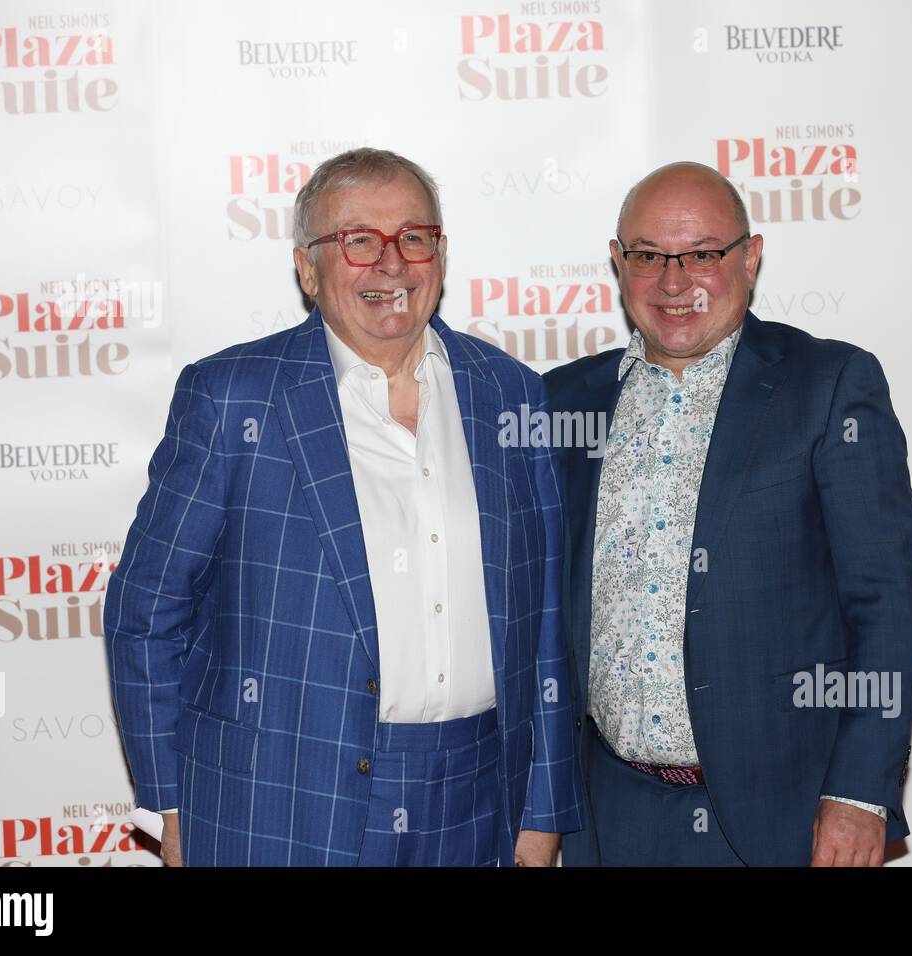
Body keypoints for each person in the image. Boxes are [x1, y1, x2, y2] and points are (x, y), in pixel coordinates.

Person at [105, 148, 581, 866]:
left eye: (413, 237)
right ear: (306, 268)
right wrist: (170, 805)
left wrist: (543, 810)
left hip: (475, 798)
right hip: (279, 798)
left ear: (440, 257)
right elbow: (146, 613)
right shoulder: (233, 396)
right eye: (358, 240)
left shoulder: (512, 394)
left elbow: (545, 616)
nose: (391, 264)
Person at [546, 161, 912, 866]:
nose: (673, 280)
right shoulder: (562, 402)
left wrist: (858, 794)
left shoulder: (829, 386)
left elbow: (889, 606)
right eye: (649, 256)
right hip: (607, 814)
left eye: (703, 254)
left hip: (786, 819)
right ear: (617, 262)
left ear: (750, 257)